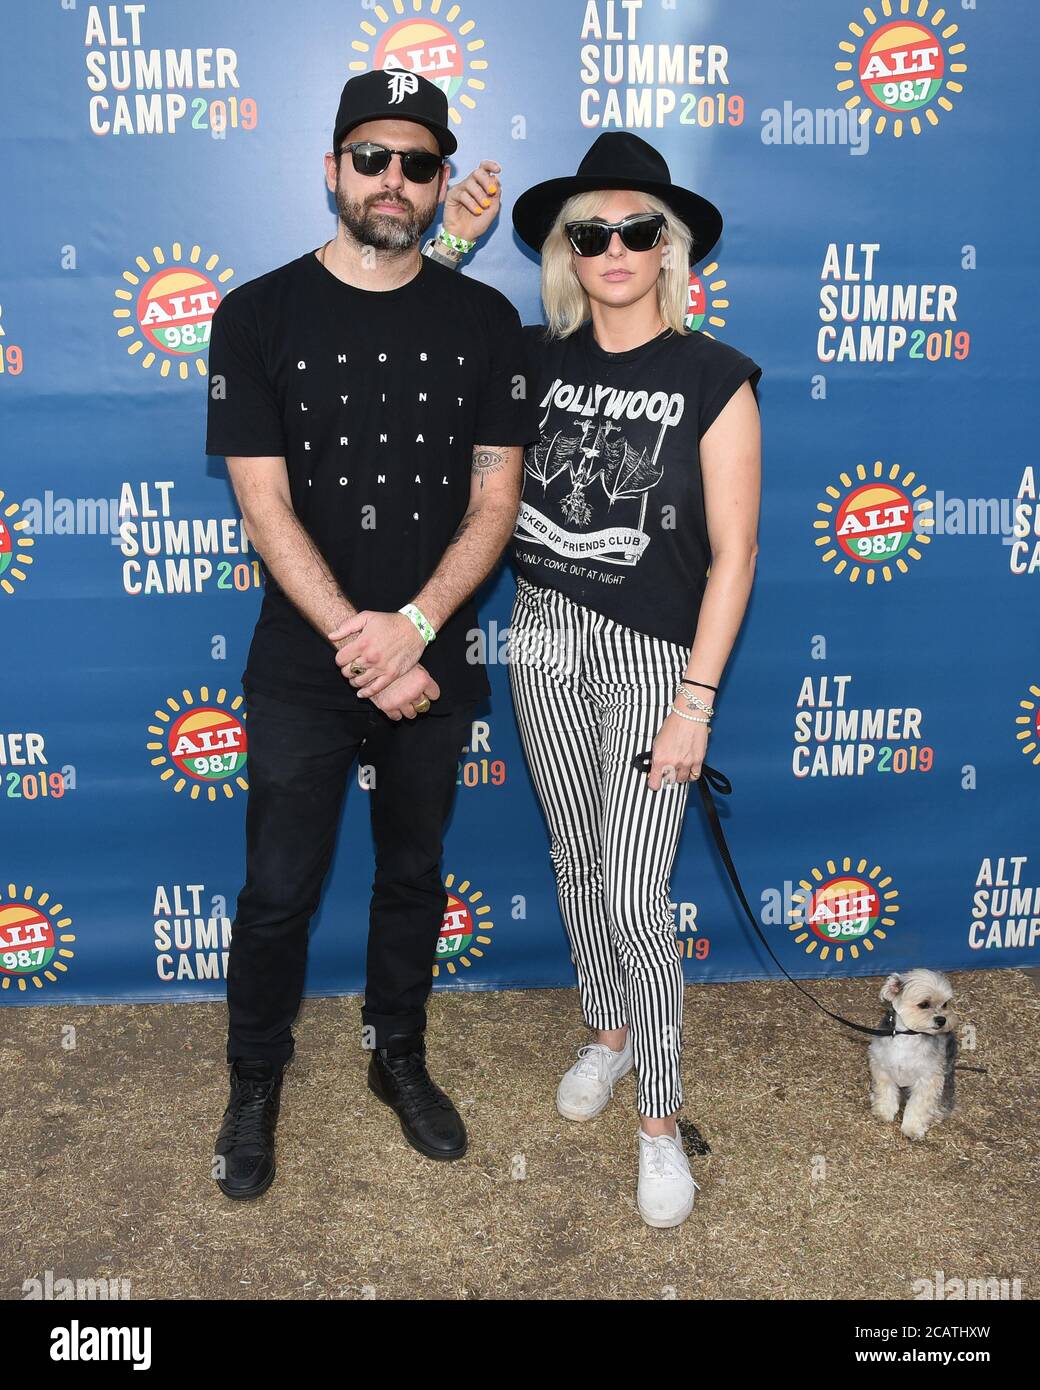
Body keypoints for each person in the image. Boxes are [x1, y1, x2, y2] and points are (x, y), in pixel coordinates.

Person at [204, 69, 539, 1199]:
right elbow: (263, 503)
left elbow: (494, 504)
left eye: (418, 162)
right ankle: (255, 1079)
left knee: (411, 875)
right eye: (372, 157)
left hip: (432, 656)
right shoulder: (255, 312)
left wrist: (416, 629)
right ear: (333, 169)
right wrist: (362, 642)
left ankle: (397, 1054)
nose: (393, 180)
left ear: (442, 183)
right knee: (278, 890)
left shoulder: (487, 321)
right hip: (305, 663)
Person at [428, 132, 763, 1228]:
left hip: (651, 655)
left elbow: (734, 555)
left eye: (635, 229)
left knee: (632, 891)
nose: (612, 247)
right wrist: (450, 244)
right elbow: (409, 332)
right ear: (565, 252)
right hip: (540, 632)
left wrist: (696, 702)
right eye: (590, 230)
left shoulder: (715, 376)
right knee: (576, 857)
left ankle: (660, 1122)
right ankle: (610, 1032)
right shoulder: (527, 355)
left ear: (666, 248)